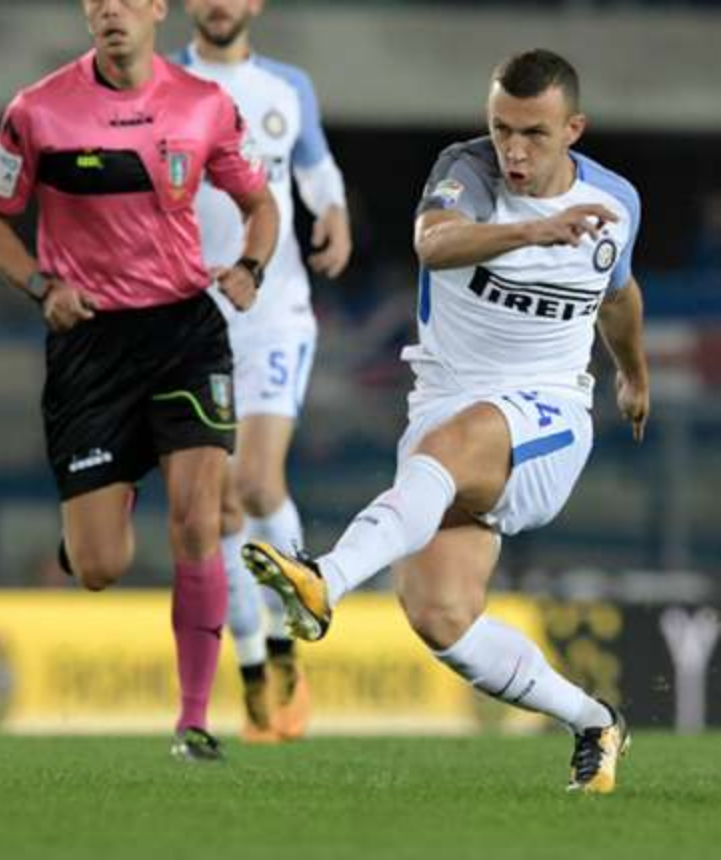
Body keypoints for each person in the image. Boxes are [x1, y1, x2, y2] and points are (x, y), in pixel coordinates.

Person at [244, 49, 647, 793]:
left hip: (546, 416)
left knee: (454, 445)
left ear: (575, 129)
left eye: (533, 133)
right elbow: (434, 242)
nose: (514, 150)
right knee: (441, 618)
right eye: (501, 129)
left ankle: (324, 579)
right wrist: (534, 230)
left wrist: (632, 376)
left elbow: (619, 296)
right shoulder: (465, 171)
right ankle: (595, 721)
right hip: (446, 411)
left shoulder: (616, 202)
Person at [0, 0, 278, 761]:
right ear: (86, 14)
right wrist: (44, 288)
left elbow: (258, 204)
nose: (112, 10)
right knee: (101, 567)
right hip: (90, 344)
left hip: (184, 333)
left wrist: (250, 267)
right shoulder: (36, 111)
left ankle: (194, 721)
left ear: (155, 11)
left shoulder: (204, 105)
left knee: (198, 521)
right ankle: (107, 502)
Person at [177, 0, 351, 743]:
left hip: (275, 314)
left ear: (255, 4)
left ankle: (289, 638)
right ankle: (255, 669)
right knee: (213, 511)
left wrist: (333, 211)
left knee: (254, 483)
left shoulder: (288, 87)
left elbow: (313, 166)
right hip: (187, 323)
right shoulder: (161, 85)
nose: (220, 5)